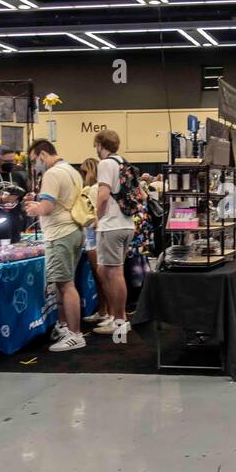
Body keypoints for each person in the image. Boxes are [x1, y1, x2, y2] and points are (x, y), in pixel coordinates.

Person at [22, 140, 85, 352]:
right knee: (64, 283)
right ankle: (65, 326)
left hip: (60, 233)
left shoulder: (51, 174)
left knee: (66, 285)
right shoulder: (72, 171)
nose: (34, 167)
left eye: (33, 161)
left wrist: (33, 208)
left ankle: (76, 334)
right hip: (74, 231)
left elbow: (47, 208)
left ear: (42, 155)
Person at [91, 129, 136, 338]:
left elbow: (103, 194)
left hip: (112, 224)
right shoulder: (124, 163)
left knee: (114, 273)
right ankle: (115, 317)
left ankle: (120, 320)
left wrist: (97, 217)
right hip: (126, 223)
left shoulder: (106, 163)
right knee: (106, 271)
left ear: (101, 145)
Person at [79, 156, 109, 328]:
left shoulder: (92, 189)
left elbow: (89, 214)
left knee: (101, 277)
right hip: (94, 234)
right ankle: (103, 311)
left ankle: (108, 313)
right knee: (100, 277)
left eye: (83, 172)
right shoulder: (97, 188)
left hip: (93, 235)